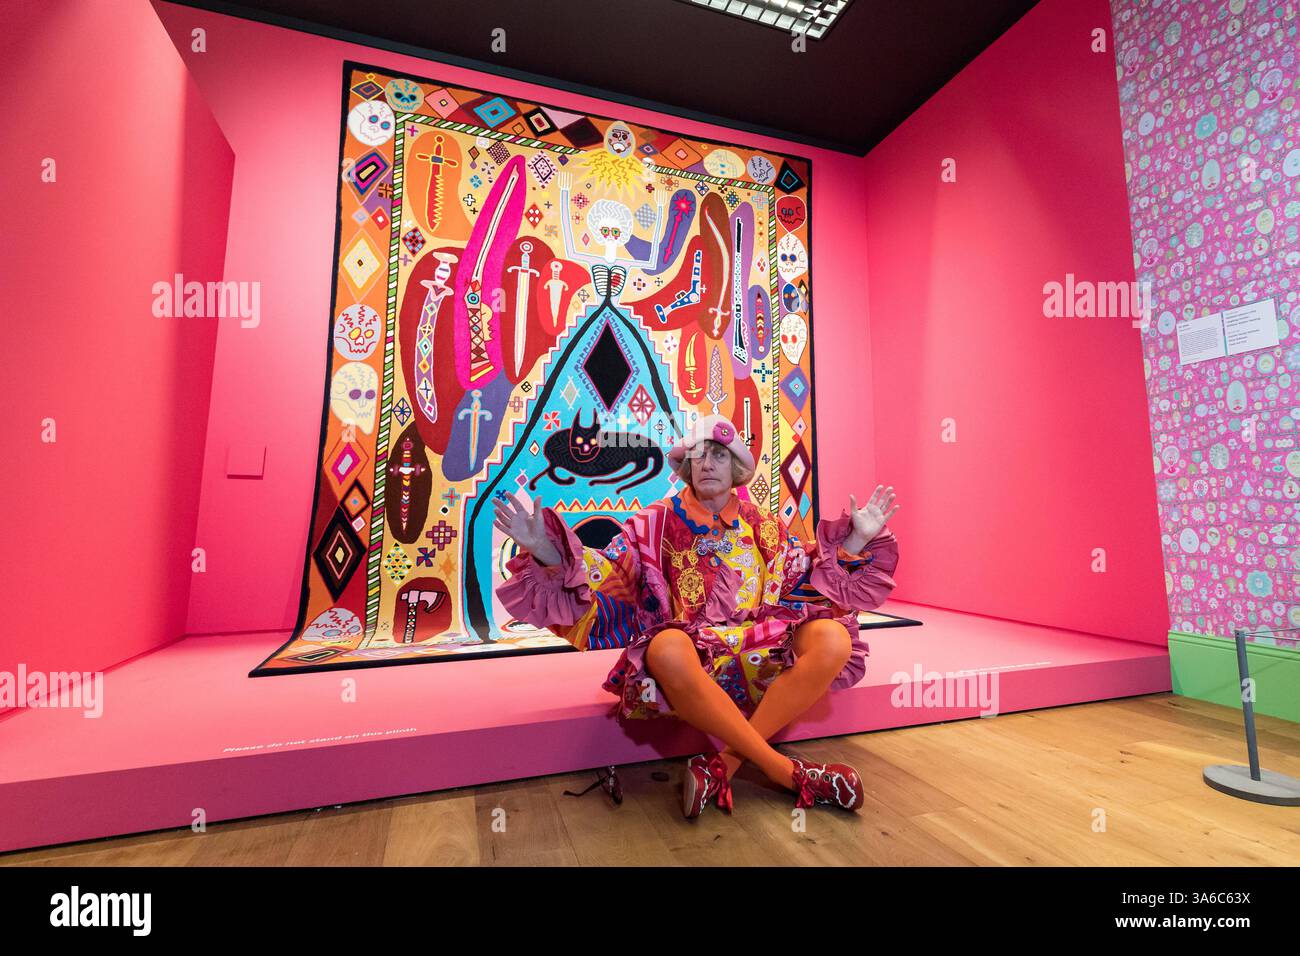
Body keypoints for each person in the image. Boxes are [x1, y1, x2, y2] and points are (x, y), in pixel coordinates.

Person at [493, 414, 900, 818]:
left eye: (719, 455)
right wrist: (546, 551)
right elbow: (607, 576)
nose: (708, 463)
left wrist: (857, 539)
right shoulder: (654, 522)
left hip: (762, 658)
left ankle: (727, 764)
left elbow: (806, 580)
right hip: (692, 670)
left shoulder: (764, 525)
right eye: (699, 455)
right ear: (687, 466)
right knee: (666, 647)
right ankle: (788, 773)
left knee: (834, 638)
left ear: (736, 469)